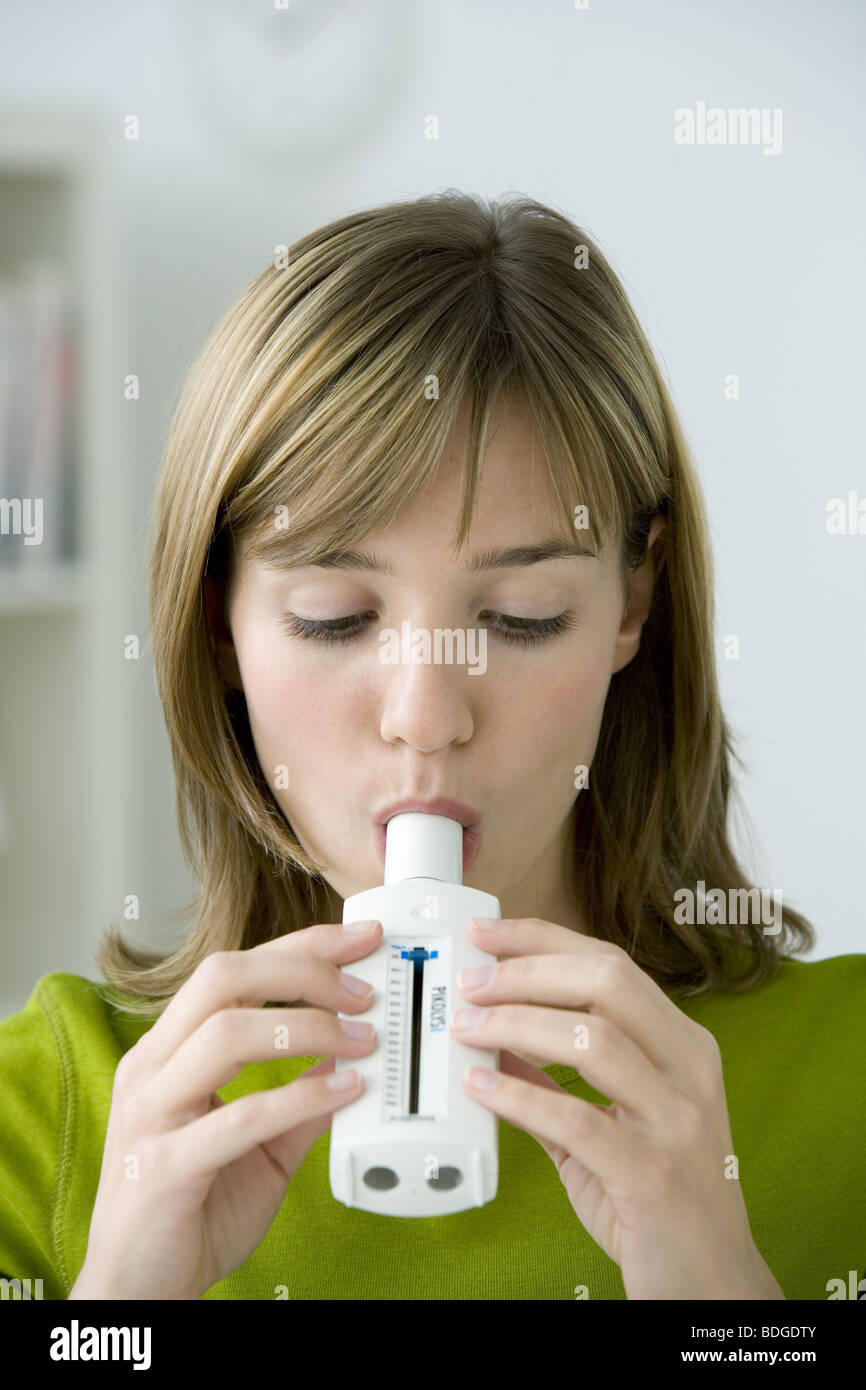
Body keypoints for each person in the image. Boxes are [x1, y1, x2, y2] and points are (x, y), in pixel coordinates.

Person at [1, 191, 863, 1301]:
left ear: (632, 601)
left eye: (519, 618)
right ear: (217, 619)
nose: (424, 716)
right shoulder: (49, 1107)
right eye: (330, 616)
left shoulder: (846, 1080)